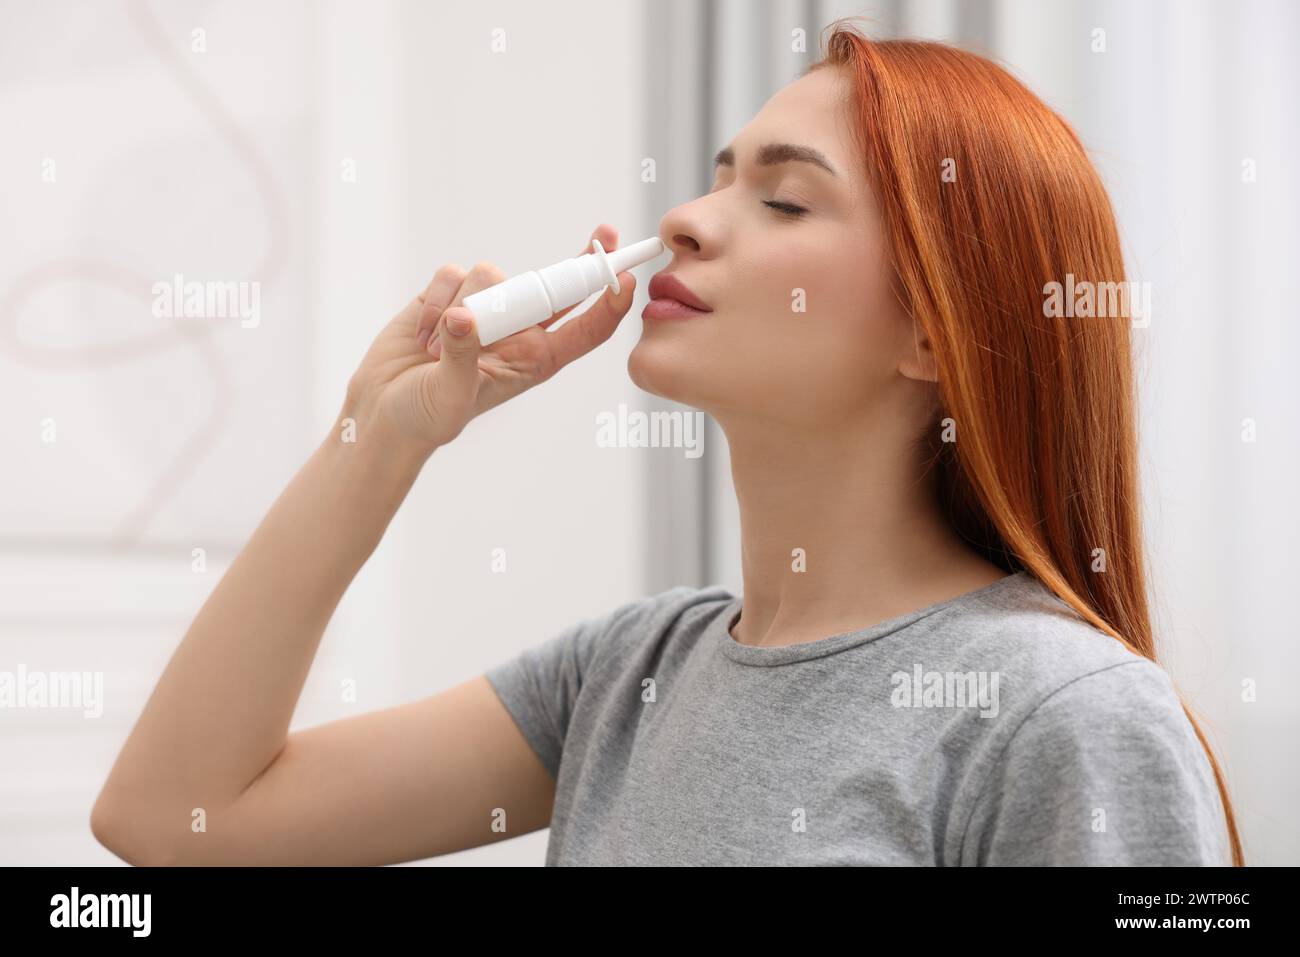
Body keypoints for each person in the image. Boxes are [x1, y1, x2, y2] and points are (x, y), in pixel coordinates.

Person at [91, 23, 1241, 866]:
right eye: (715, 181)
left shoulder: (1066, 716)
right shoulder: (631, 673)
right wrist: (377, 437)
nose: (686, 220)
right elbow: (179, 818)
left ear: (934, 335)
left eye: (785, 203)